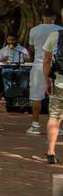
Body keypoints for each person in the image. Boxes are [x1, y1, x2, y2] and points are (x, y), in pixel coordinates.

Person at [27, 10, 63, 135]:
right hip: (57, 66)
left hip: (38, 64)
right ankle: (58, 127)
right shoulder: (59, 30)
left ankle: (35, 125)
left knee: (36, 96)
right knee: (58, 96)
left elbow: (31, 47)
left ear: (42, 16)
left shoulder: (34, 30)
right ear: (54, 17)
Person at [42, 28, 61, 164]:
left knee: (54, 116)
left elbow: (47, 60)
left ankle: (51, 151)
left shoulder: (55, 36)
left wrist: (47, 80)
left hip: (59, 83)